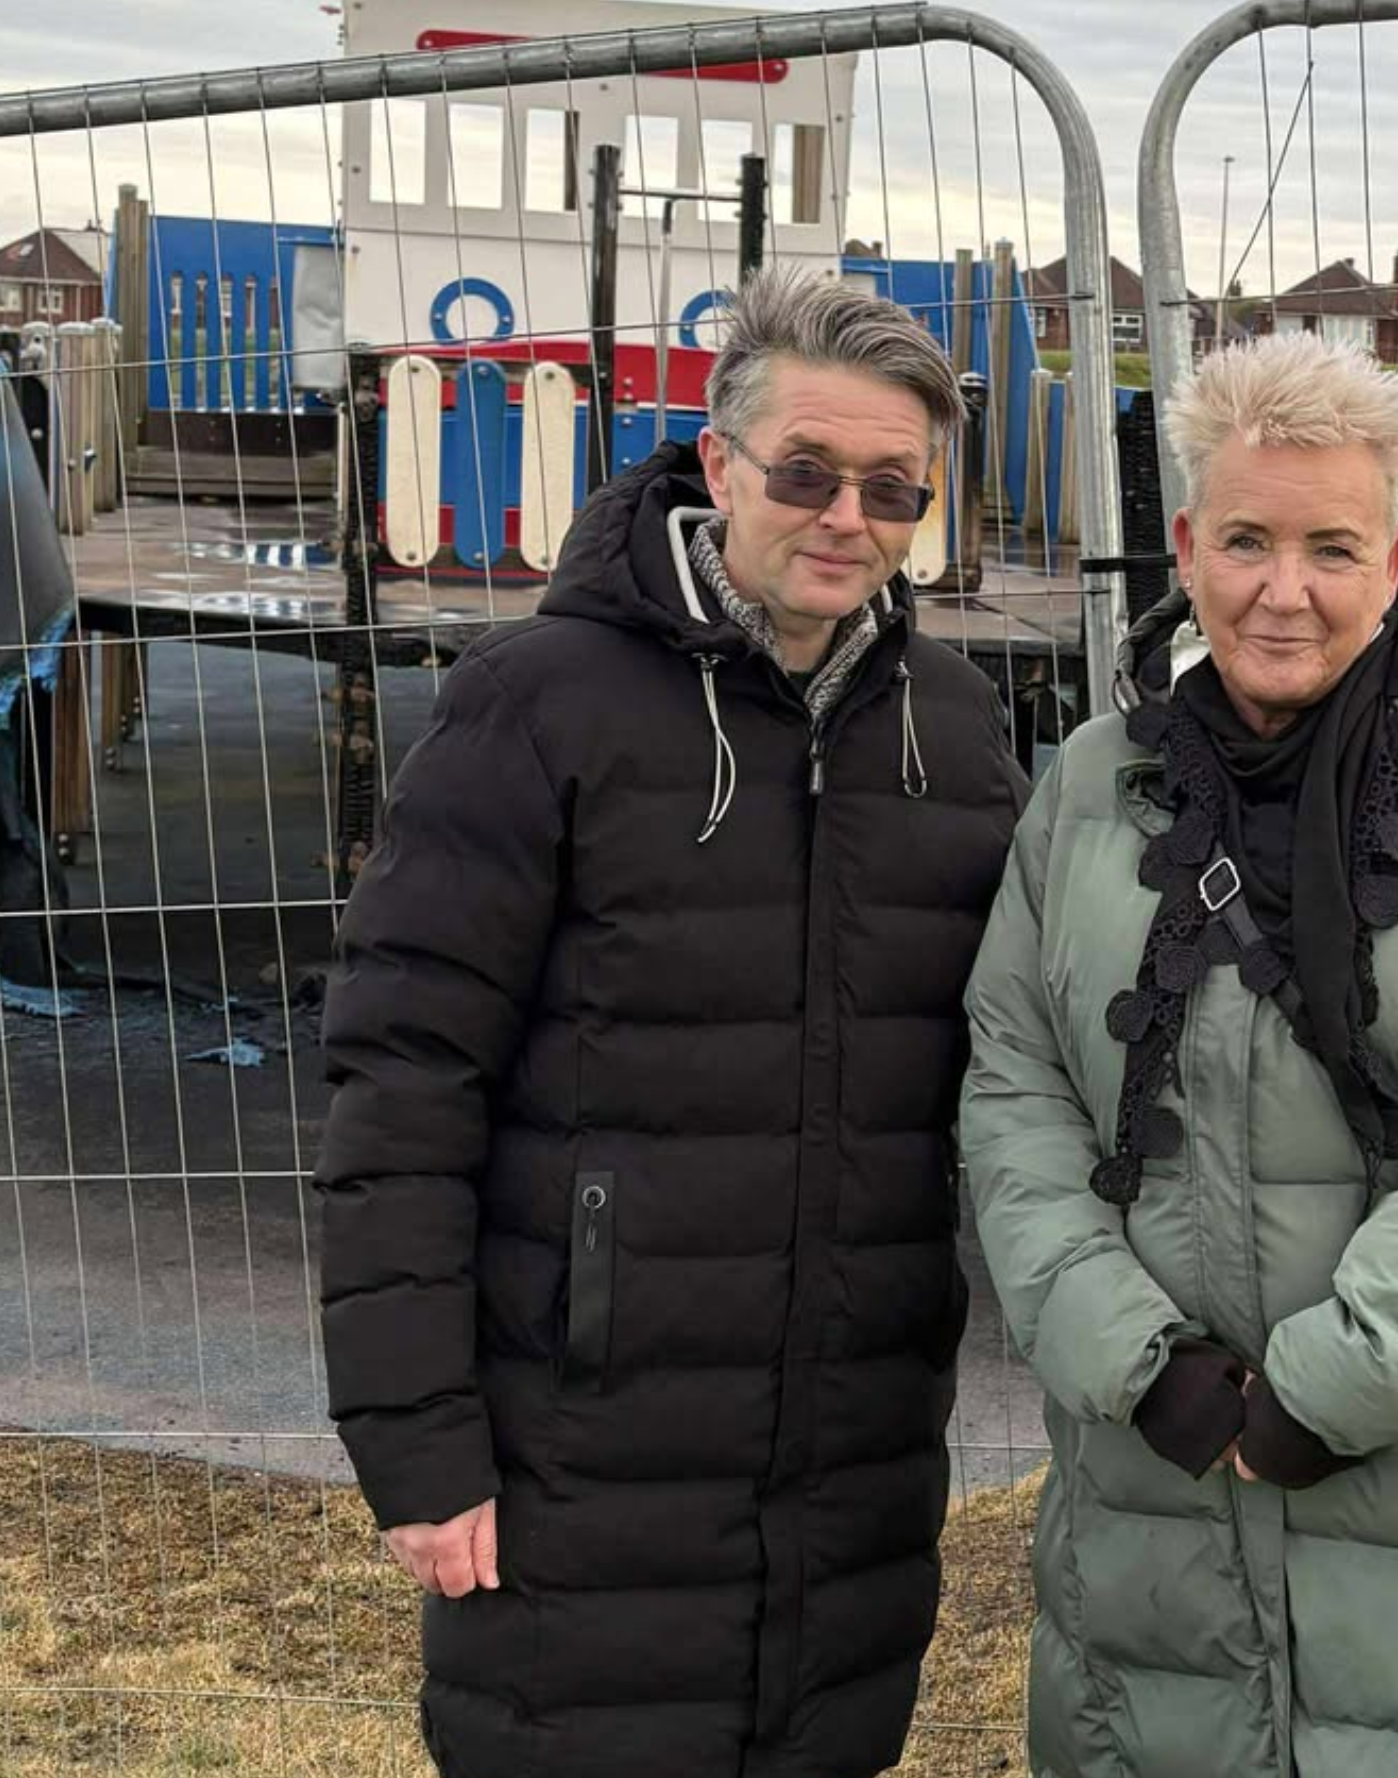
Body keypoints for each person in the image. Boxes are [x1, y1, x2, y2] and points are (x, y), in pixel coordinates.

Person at [317, 268, 1030, 1778]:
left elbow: (1033, 1058)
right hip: (583, 1451)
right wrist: (418, 1440)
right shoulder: (536, 705)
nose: (847, 519)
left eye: (892, 489)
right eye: (807, 472)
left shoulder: (955, 732)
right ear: (720, 462)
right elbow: (405, 1086)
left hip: (854, 1467)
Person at [960, 334, 1398, 1778]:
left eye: (1331, 549)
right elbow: (1015, 1086)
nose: (1286, 591)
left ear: (1393, 560)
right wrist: (1129, 1358)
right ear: (1186, 550)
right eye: (1247, 543)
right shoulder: (1089, 787)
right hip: (1149, 1493)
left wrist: (1333, 1389)